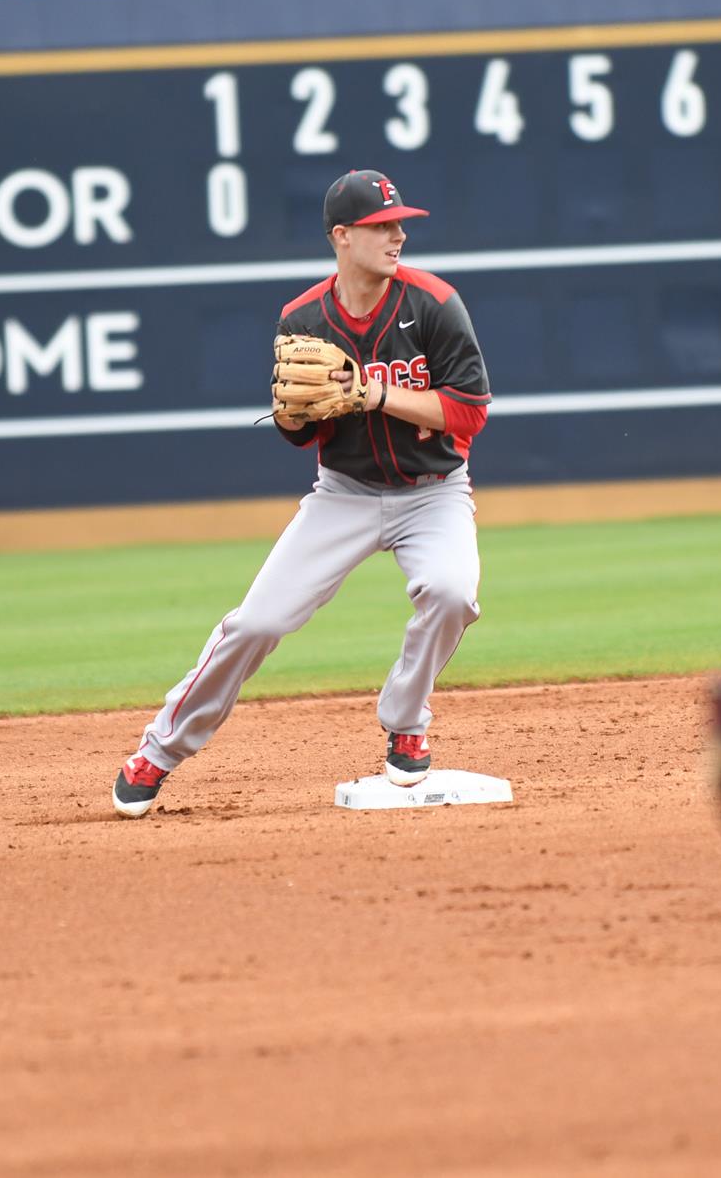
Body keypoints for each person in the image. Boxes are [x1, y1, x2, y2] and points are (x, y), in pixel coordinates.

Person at [111, 169, 491, 817]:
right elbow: (301, 433)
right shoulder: (304, 317)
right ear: (342, 236)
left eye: (399, 224)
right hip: (342, 494)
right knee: (257, 622)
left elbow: (468, 412)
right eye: (381, 226)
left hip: (434, 493)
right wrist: (293, 417)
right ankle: (158, 750)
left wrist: (374, 392)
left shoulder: (434, 303)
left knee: (452, 591)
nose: (397, 235)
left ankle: (406, 722)